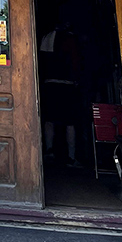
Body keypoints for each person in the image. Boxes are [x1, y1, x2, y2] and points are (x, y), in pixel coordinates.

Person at [40, 22, 82, 167]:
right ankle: (71, 157)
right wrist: (77, 80)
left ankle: (49, 150)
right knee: (70, 122)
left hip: (49, 84)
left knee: (49, 119)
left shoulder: (46, 37)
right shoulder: (70, 39)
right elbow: (76, 62)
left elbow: (41, 61)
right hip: (67, 85)